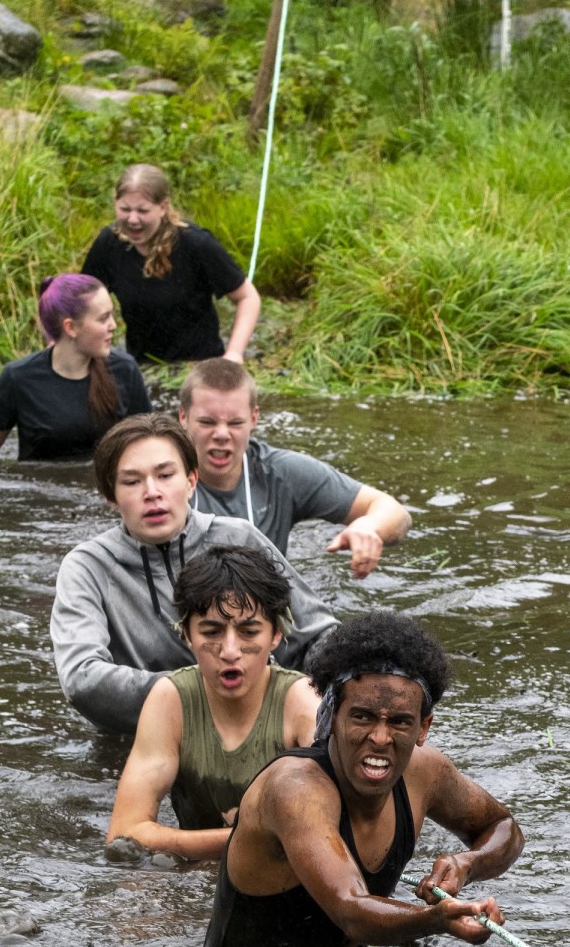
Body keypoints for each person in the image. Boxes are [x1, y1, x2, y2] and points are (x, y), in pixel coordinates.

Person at [204, 611, 523, 947]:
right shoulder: (295, 791)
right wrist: (436, 919)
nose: (380, 737)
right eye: (362, 716)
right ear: (333, 715)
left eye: (400, 723)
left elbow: (503, 827)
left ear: (423, 727)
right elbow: (351, 910)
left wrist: (467, 864)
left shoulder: (426, 773)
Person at [51, 414, 337, 734]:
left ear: (191, 481)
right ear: (111, 497)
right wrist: (205, 689)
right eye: (131, 481)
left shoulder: (240, 539)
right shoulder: (87, 567)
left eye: (165, 475)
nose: (152, 492)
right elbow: (82, 679)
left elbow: (315, 636)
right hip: (147, 734)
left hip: (253, 722)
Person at [105, 545, 318, 862]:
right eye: (212, 631)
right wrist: (246, 836)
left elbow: (333, 830)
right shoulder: (171, 700)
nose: (230, 650)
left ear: (275, 635)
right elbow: (125, 834)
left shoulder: (302, 703)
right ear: (187, 635)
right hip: (200, 871)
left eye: (249, 631)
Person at [180, 358, 411, 578]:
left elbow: (394, 513)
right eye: (207, 422)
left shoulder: (281, 473)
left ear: (254, 418)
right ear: (183, 417)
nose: (221, 434)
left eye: (235, 423)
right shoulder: (159, 477)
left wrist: (369, 527)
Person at [81, 164, 260, 365]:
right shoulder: (109, 244)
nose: (132, 219)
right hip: (140, 366)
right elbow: (79, 301)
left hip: (200, 366)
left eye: (142, 210)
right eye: (125, 209)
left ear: (163, 207)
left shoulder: (196, 244)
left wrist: (234, 354)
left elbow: (248, 297)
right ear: (115, 204)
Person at [0, 274, 151, 461]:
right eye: (103, 319)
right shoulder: (18, 379)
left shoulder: (125, 370)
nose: (114, 325)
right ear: (71, 328)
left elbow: (147, 443)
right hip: (40, 489)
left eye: (113, 315)